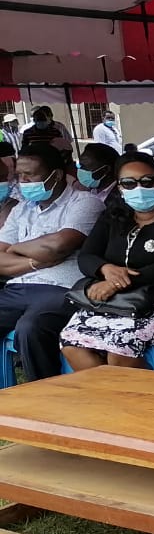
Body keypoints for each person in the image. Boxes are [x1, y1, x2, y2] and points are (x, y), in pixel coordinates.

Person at [60, 152, 154, 370]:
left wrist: (117, 282)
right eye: (129, 183)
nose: (139, 188)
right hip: (112, 299)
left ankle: (139, 399)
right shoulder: (113, 217)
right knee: (71, 344)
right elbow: (87, 256)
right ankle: (111, 401)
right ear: (119, 187)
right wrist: (105, 269)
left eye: (147, 181)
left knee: (119, 348)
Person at [0, 143, 103, 378]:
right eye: (19, 175)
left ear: (56, 175)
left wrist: (14, 249)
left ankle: (44, 398)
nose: (23, 182)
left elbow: (58, 246)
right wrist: (35, 262)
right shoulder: (22, 209)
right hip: (17, 287)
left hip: (61, 290)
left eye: (30, 175)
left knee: (30, 328)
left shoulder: (85, 202)